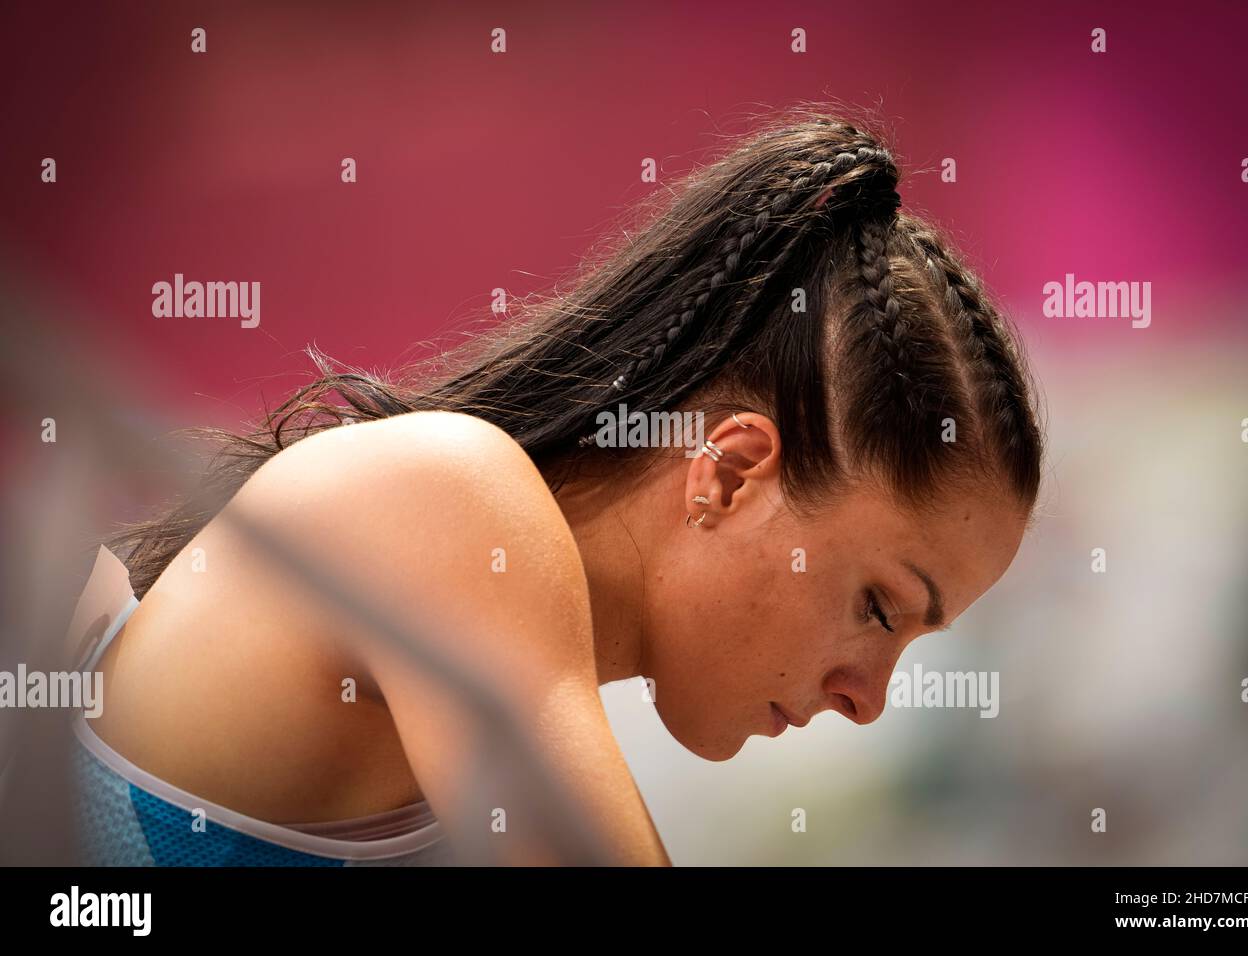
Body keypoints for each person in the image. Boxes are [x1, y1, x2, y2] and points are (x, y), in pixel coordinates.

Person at [76, 108, 1045, 866]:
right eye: (879, 607)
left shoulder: (489, 616)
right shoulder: (452, 493)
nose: (868, 699)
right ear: (732, 472)